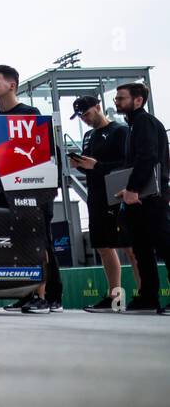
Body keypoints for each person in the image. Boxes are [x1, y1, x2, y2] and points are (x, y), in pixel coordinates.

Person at [0, 64, 55, 312]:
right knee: (2, 241)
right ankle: (22, 293)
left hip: (25, 189)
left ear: (12, 85)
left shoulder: (30, 113)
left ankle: (40, 296)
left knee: (33, 240)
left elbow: (41, 154)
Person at [68, 97, 137, 312]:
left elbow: (128, 163)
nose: (85, 119)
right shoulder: (88, 136)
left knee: (131, 246)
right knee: (103, 247)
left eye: (87, 114)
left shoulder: (120, 131)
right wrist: (80, 165)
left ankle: (145, 294)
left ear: (98, 107)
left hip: (117, 194)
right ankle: (114, 297)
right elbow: (92, 167)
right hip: (96, 196)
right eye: (81, 116)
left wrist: (98, 165)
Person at [113, 82, 170, 314]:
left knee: (165, 246)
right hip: (137, 198)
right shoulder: (134, 125)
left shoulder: (145, 122)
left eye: (121, 98)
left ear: (138, 100)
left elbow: (148, 156)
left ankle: (148, 296)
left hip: (151, 198)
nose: (117, 102)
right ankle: (148, 297)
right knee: (142, 250)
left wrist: (133, 188)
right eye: (116, 98)